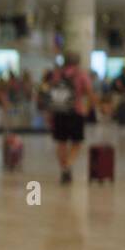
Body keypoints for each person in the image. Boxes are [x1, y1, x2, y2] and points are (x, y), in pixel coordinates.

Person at [45, 53, 93, 184]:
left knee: (61, 142)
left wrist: (49, 113)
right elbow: (89, 92)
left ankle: (64, 168)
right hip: (76, 111)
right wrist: (88, 109)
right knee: (77, 142)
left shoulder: (56, 75)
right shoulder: (81, 75)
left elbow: (50, 94)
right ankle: (67, 165)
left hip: (59, 112)